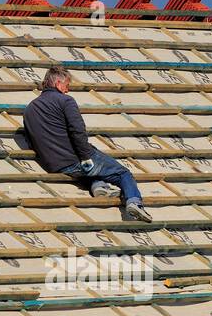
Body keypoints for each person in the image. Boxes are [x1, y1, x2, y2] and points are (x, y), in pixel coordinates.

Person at [22, 66, 152, 222]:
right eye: (67, 86)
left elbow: (32, 141)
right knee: (123, 173)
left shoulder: (29, 109)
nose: (67, 90)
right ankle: (134, 202)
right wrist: (85, 157)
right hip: (75, 158)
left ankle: (98, 186)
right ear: (58, 83)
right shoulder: (65, 101)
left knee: (89, 173)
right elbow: (78, 131)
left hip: (55, 165)